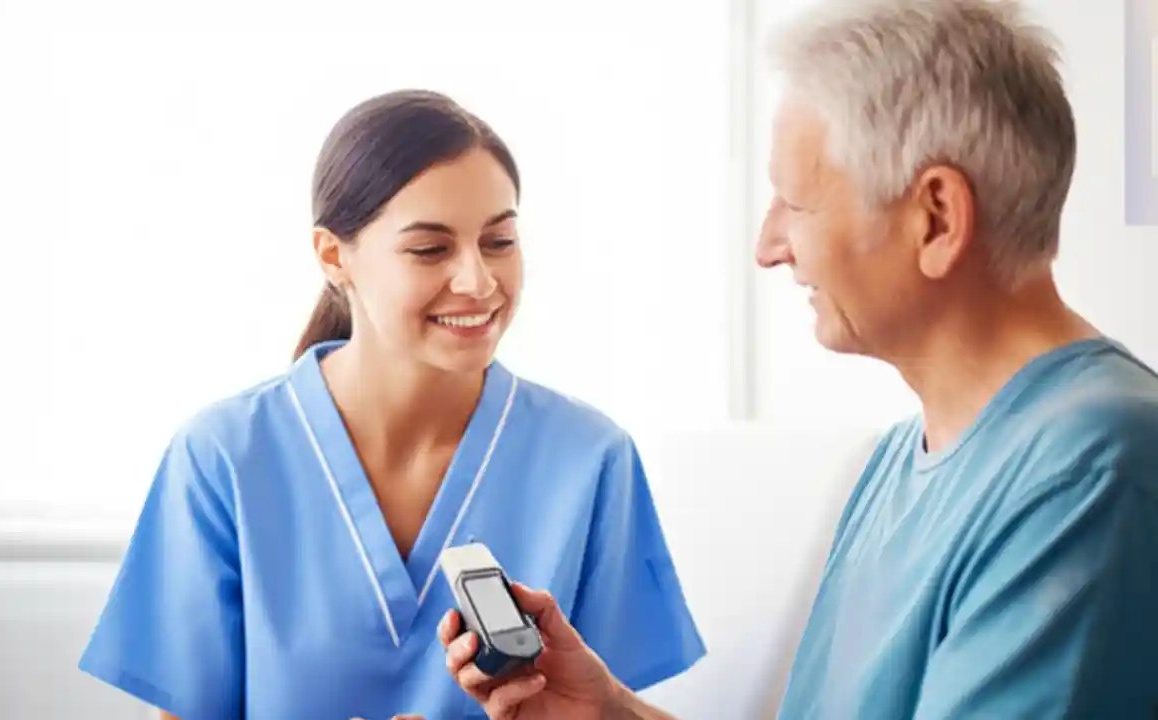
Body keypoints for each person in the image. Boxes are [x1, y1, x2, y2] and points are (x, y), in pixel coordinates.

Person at [439, 1, 1158, 718]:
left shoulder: (1090, 473)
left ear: (936, 217)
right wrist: (607, 712)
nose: (769, 245)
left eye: (795, 202)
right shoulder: (898, 460)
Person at [77, 89, 705, 719]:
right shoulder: (224, 458)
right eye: (430, 249)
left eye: (500, 240)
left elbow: (599, 706)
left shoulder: (589, 458)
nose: (479, 281)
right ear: (334, 256)